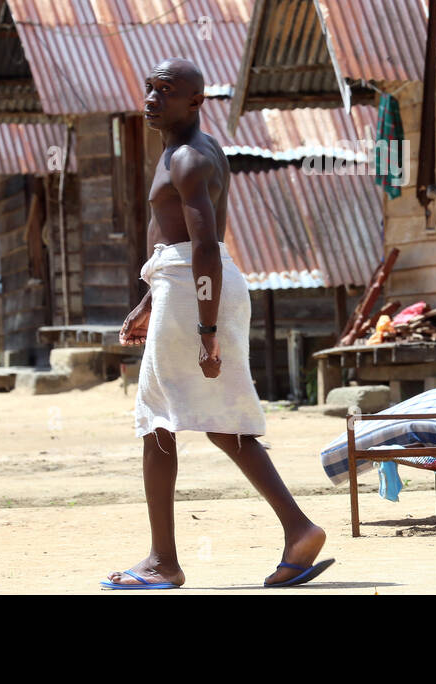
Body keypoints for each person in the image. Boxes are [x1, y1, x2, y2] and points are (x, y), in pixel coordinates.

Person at [101, 58, 333, 590]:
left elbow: (204, 247)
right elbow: (180, 245)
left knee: (158, 421)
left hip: (196, 292)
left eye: (167, 92)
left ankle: (164, 561)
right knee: (225, 425)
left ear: (196, 102)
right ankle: (299, 530)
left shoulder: (187, 159)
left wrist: (206, 331)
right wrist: (150, 299)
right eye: (150, 88)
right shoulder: (183, 151)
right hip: (185, 289)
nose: (153, 99)